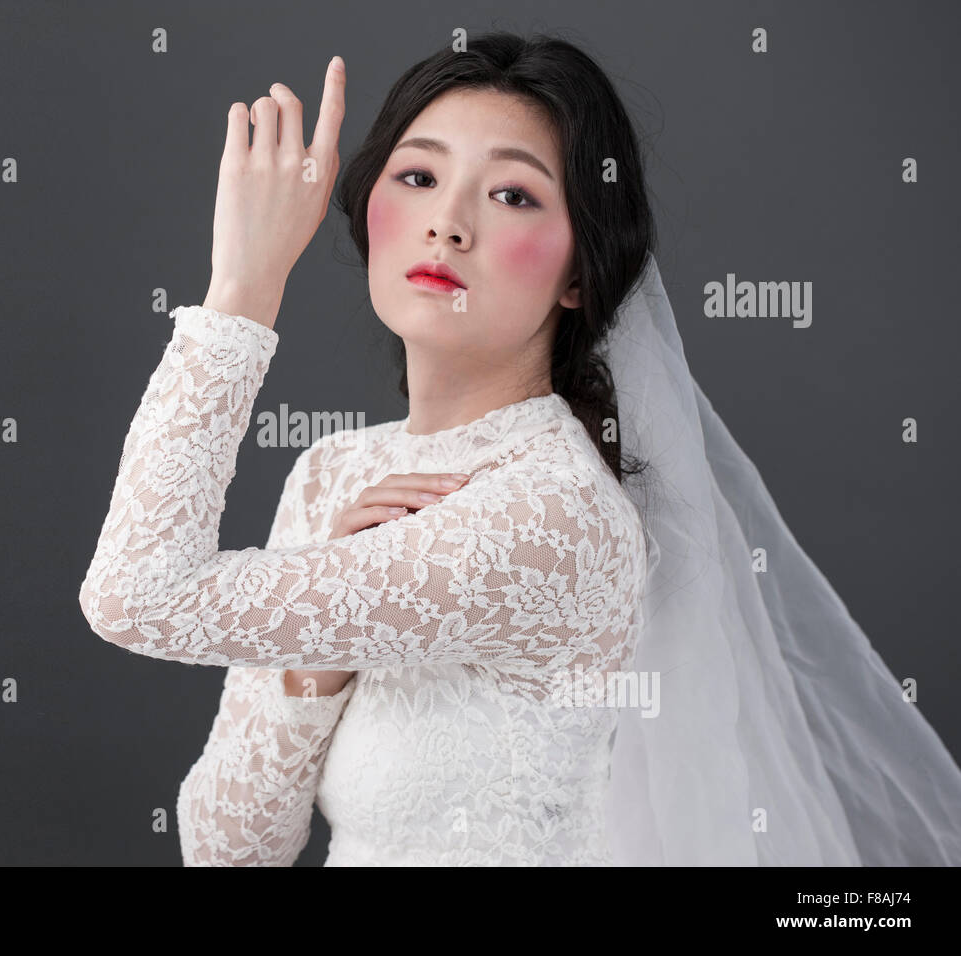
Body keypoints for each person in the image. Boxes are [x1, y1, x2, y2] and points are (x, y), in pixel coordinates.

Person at [79, 33, 961, 866]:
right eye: (418, 175)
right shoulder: (333, 474)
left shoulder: (552, 513)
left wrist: (243, 287)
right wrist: (315, 667)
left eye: (513, 195)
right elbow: (226, 851)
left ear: (581, 272)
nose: (448, 224)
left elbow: (134, 594)